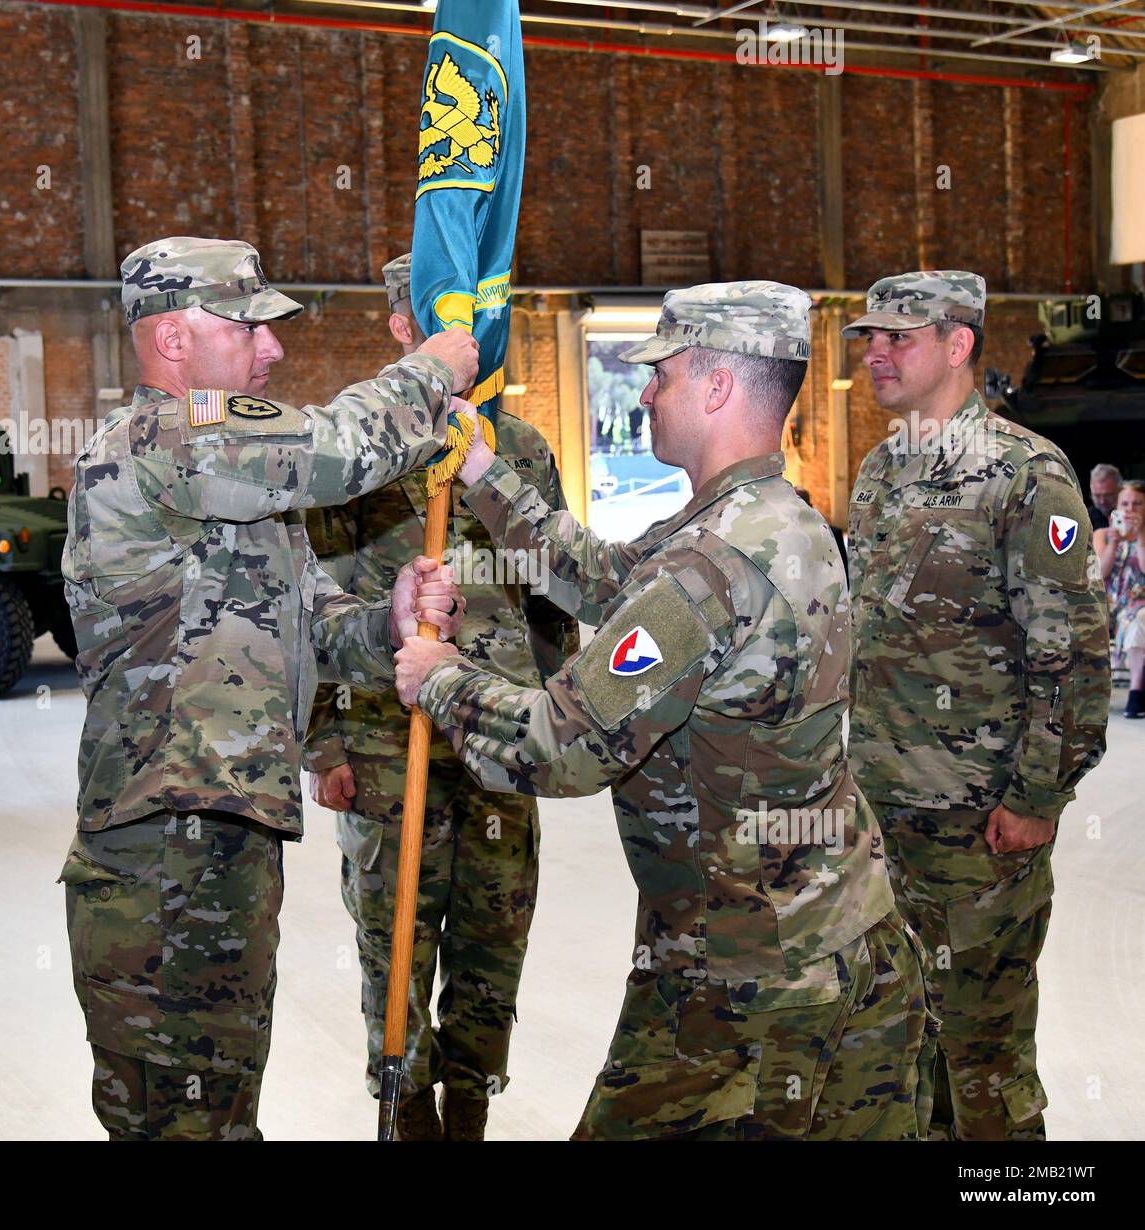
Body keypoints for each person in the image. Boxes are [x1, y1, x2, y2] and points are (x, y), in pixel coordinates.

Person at [395, 281, 932, 1141]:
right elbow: (605, 577)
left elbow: (561, 745)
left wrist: (441, 676)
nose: (644, 392)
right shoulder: (771, 520)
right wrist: (485, 470)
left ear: (718, 387)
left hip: (740, 978)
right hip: (836, 928)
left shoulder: (714, 563)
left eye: (664, 375)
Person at [57, 235, 476, 1141]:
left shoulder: (235, 486)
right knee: (184, 1120)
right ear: (172, 340)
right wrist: (426, 372)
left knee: (222, 1106)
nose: (272, 348)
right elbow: (338, 447)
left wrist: (390, 622)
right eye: (248, 326)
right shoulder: (160, 441)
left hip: (223, 837)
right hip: (162, 847)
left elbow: (317, 629)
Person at [302, 254, 578, 1141]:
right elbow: (309, 603)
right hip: (388, 741)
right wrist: (324, 747)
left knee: (494, 946)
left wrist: (553, 707)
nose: (470, 337)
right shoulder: (357, 456)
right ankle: (406, 1113)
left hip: (497, 736)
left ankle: (469, 1112)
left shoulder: (520, 450)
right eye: (444, 319)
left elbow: (555, 597)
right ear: (400, 328)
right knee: (395, 950)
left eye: (481, 320)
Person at [843, 270, 1111, 1140]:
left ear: (958, 345)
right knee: (898, 1048)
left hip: (978, 826)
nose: (875, 353)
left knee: (982, 1058)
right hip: (885, 814)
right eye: (869, 338)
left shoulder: (1025, 473)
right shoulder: (881, 469)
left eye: (898, 338)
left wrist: (1037, 801)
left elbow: (1071, 655)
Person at [1094, 478, 1145, 717]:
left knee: (1138, 621)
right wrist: (1114, 543)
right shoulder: (1103, 534)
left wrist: (1140, 536)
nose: (1130, 510)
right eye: (1125, 504)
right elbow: (1098, 575)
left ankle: (1136, 691)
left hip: (1138, 602)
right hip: (1108, 601)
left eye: (1137, 504)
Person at [1088, 462, 1123, 532]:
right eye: (1097, 496)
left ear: (1120, 491)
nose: (1102, 501)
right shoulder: (1085, 518)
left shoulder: (1133, 514)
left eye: (1108, 495)